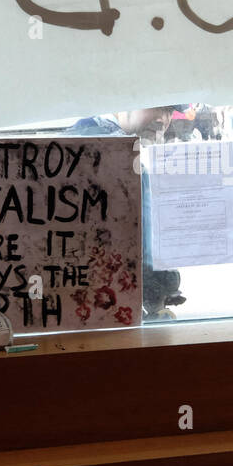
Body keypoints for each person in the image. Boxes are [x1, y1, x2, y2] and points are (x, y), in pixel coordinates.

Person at [66, 106, 187, 321]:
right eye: (157, 107)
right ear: (125, 102)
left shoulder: (122, 149)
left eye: (169, 112)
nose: (164, 120)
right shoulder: (94, 145)